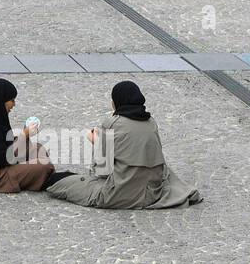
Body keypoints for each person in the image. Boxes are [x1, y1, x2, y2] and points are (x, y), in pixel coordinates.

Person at [46, 82, 203, 210]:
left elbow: (102, 171)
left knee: (60, 182)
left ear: (116, 102)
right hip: (151, 192)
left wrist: (96, 141)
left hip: (120, 194)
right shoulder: (151, 123)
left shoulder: (112, 124)